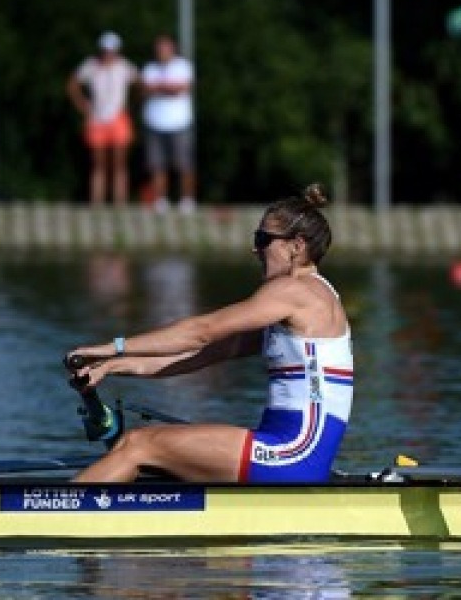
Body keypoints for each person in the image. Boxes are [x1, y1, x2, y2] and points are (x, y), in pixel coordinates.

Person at [65, 184, 354, 483]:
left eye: (263, 239)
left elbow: (200, 332)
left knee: (139, 445)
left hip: (295, 453)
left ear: (297, 245)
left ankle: (60, 505)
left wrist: (113, 347)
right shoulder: (304, 304)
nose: (255, 249)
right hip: (288, 450)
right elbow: (200, 354)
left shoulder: (297, 291)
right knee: (145, 451)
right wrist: (111, 366)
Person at [67, 31, 138, 206]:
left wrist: (132, 105)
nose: (108, 54)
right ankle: (97, 202)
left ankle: (120, 202)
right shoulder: (91, 65)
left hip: (118, 117)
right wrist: (82, 104)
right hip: (97, 118)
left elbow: (139, 83)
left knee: (119, 162)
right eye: (106, 50)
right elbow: (72, 84)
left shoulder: (124, 66)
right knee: (98, 163)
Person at [141, 34, 197, 214]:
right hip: (154, 122)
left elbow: (182, 88)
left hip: (179, 123)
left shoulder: (183, 66)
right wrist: (167, 87)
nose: (162, 52)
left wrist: (159, 87)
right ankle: (160, 200)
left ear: (172, 49)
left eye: (165, 48)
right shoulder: (149, 68)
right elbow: (145, 89)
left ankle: (187, 199)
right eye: (159, 48)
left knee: (184, 164)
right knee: (157, 164)